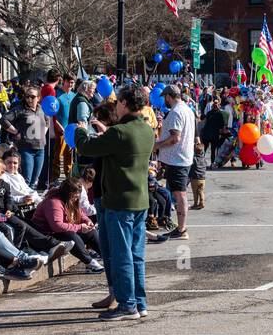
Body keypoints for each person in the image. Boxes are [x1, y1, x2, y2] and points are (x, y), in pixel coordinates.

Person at [75, 94, 157, 319]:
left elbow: (85, 147)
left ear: (124, 104)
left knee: (122, 255)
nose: (117, 106)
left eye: (119, 102)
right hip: (140, 200)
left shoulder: (120, 132)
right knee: (136, 255)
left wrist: (81, 129)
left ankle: (127, 304)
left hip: (119, 201)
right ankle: (140, 303)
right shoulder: (147, 130)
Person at [150, 84, 195, 243]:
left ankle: (182, 229)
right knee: (178, 192)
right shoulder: (187, 109)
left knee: (179, 193)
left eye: (165, 98)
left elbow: (175, 137)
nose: (164, 100)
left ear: (169, 96)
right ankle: (181, 228)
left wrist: (157, 145)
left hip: (178, 159)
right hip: (181, 158)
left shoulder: (176, 112)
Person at [31, 177, 104, 271]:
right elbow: (57, 226)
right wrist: (80, 227)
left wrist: (87, 221)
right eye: (74, 197)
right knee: (72, 236)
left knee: (91, 233)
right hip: (47, 234)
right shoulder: (53, 202)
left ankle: (107, 256)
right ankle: (89, 262)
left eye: (77, 197)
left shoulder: (71, 199)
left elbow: (80, 213)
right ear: (67, 194)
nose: (75, 199)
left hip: (61, 230)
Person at [2, 89, 48, 189]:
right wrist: (16, 132)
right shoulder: (20, 109)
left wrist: (42, 134)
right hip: (26, 148)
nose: (29, 99)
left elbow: (47, 121)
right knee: (26, 179)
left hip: (40, 149)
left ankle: (29, 201)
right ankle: (22, 200)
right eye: (27, 96)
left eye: (32, 97)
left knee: (35, 179)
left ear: (38, 98)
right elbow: (3, 120)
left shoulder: (41, 109)